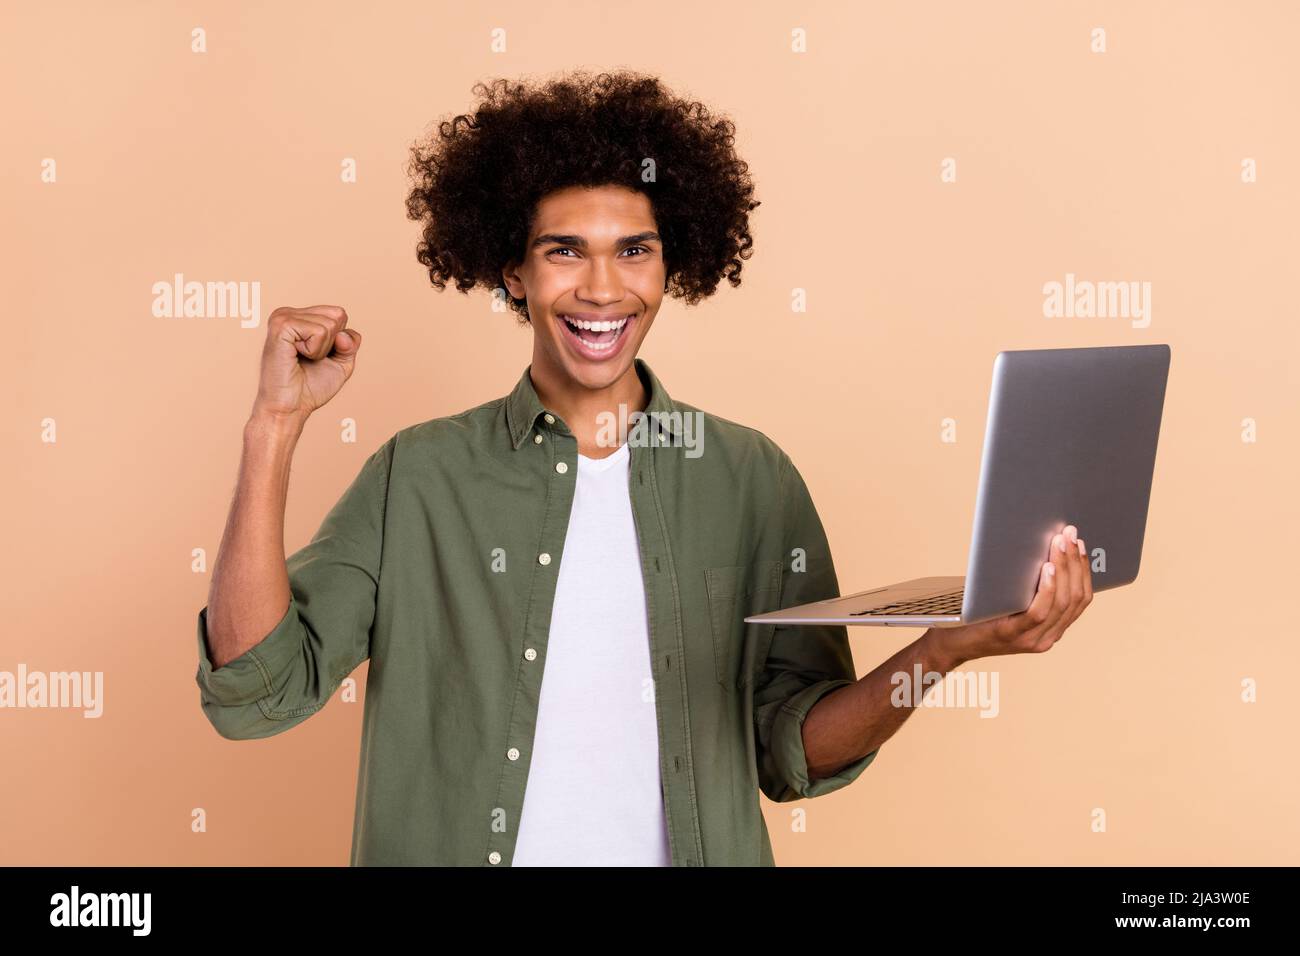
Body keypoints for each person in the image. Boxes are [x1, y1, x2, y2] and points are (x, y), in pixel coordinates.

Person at [194, 70, 1093, 866]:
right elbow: (256, 688)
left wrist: (941, 652)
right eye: (563, 251)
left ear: (675, 263)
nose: (601, 288)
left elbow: (794, 752)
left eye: (634, 249)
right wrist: (273, 426)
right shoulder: (417, 477)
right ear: (511, 271)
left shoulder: (752, 480)